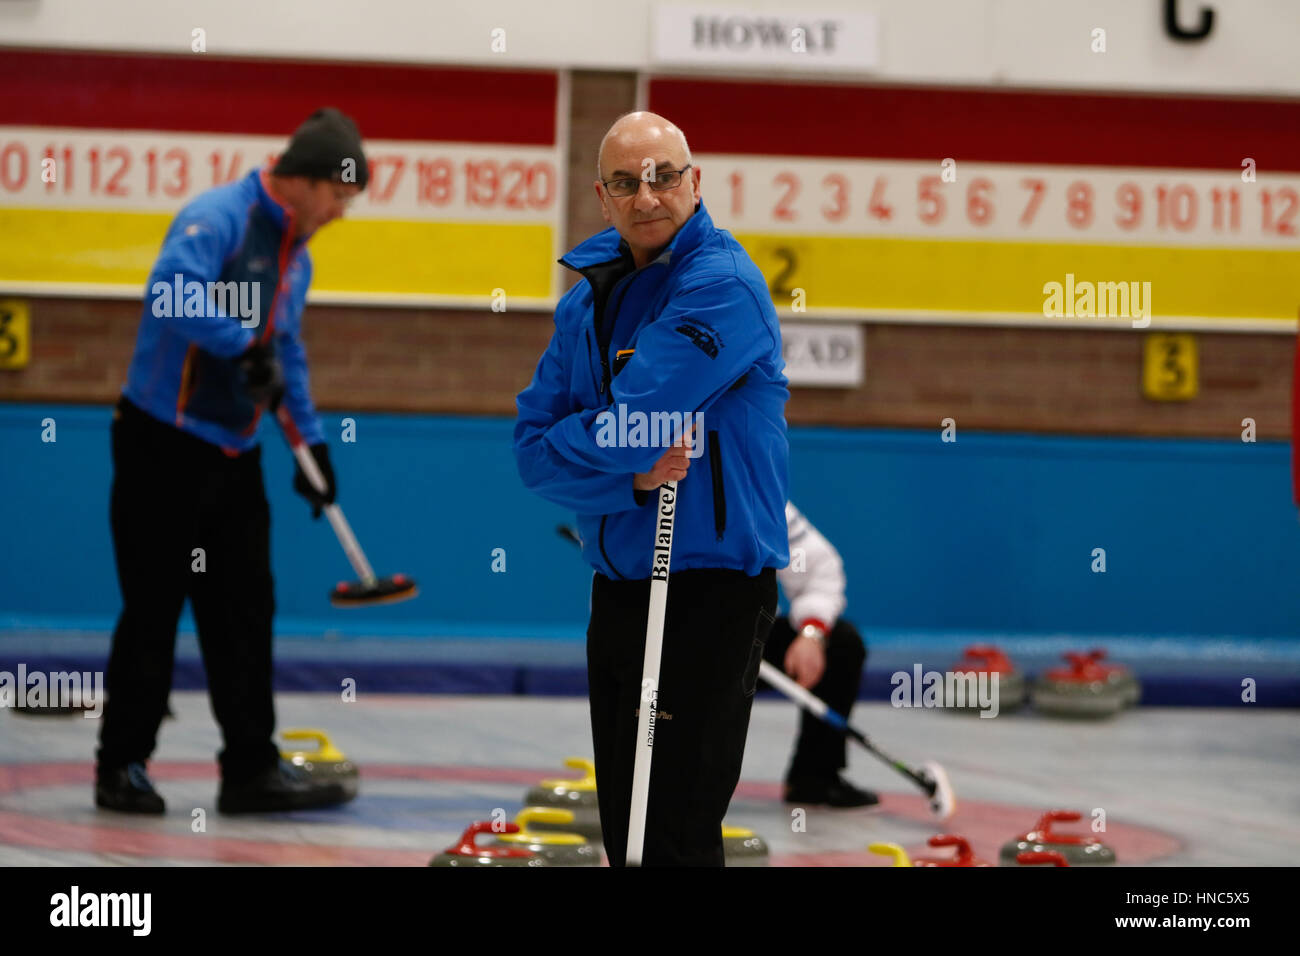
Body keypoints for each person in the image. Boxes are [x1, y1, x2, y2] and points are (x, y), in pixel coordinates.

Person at [514, 111, 790, 866]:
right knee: (627, 832)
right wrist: (628, 473)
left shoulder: (723, 287)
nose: (648, 196)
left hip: (709, 591)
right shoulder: (585, 305)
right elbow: (532, 451)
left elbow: (641, 418)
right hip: (622, 584)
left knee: (675, 830)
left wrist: (609, 447)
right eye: (627, 183)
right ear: (602, 198)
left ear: (694, 182)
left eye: (665, 176)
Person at [95, 108, 366, 815]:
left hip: (234, 452)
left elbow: (287, 356)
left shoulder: (295, 257)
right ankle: (120, 765)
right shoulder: (219, 216)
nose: (342, 213)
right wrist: (240, 343)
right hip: (163, 441)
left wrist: (310, 447)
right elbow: (171, 291)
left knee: (246, 611)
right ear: (305, 181)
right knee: (154, 608)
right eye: (340, 196)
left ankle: (250, 769)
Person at [765, 501, 876, 807]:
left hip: (743, 637)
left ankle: (814, 779)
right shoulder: (638, 478)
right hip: (660, 641)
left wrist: (812, 633)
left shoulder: (754, 486)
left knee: (842, 643)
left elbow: (819, 567)